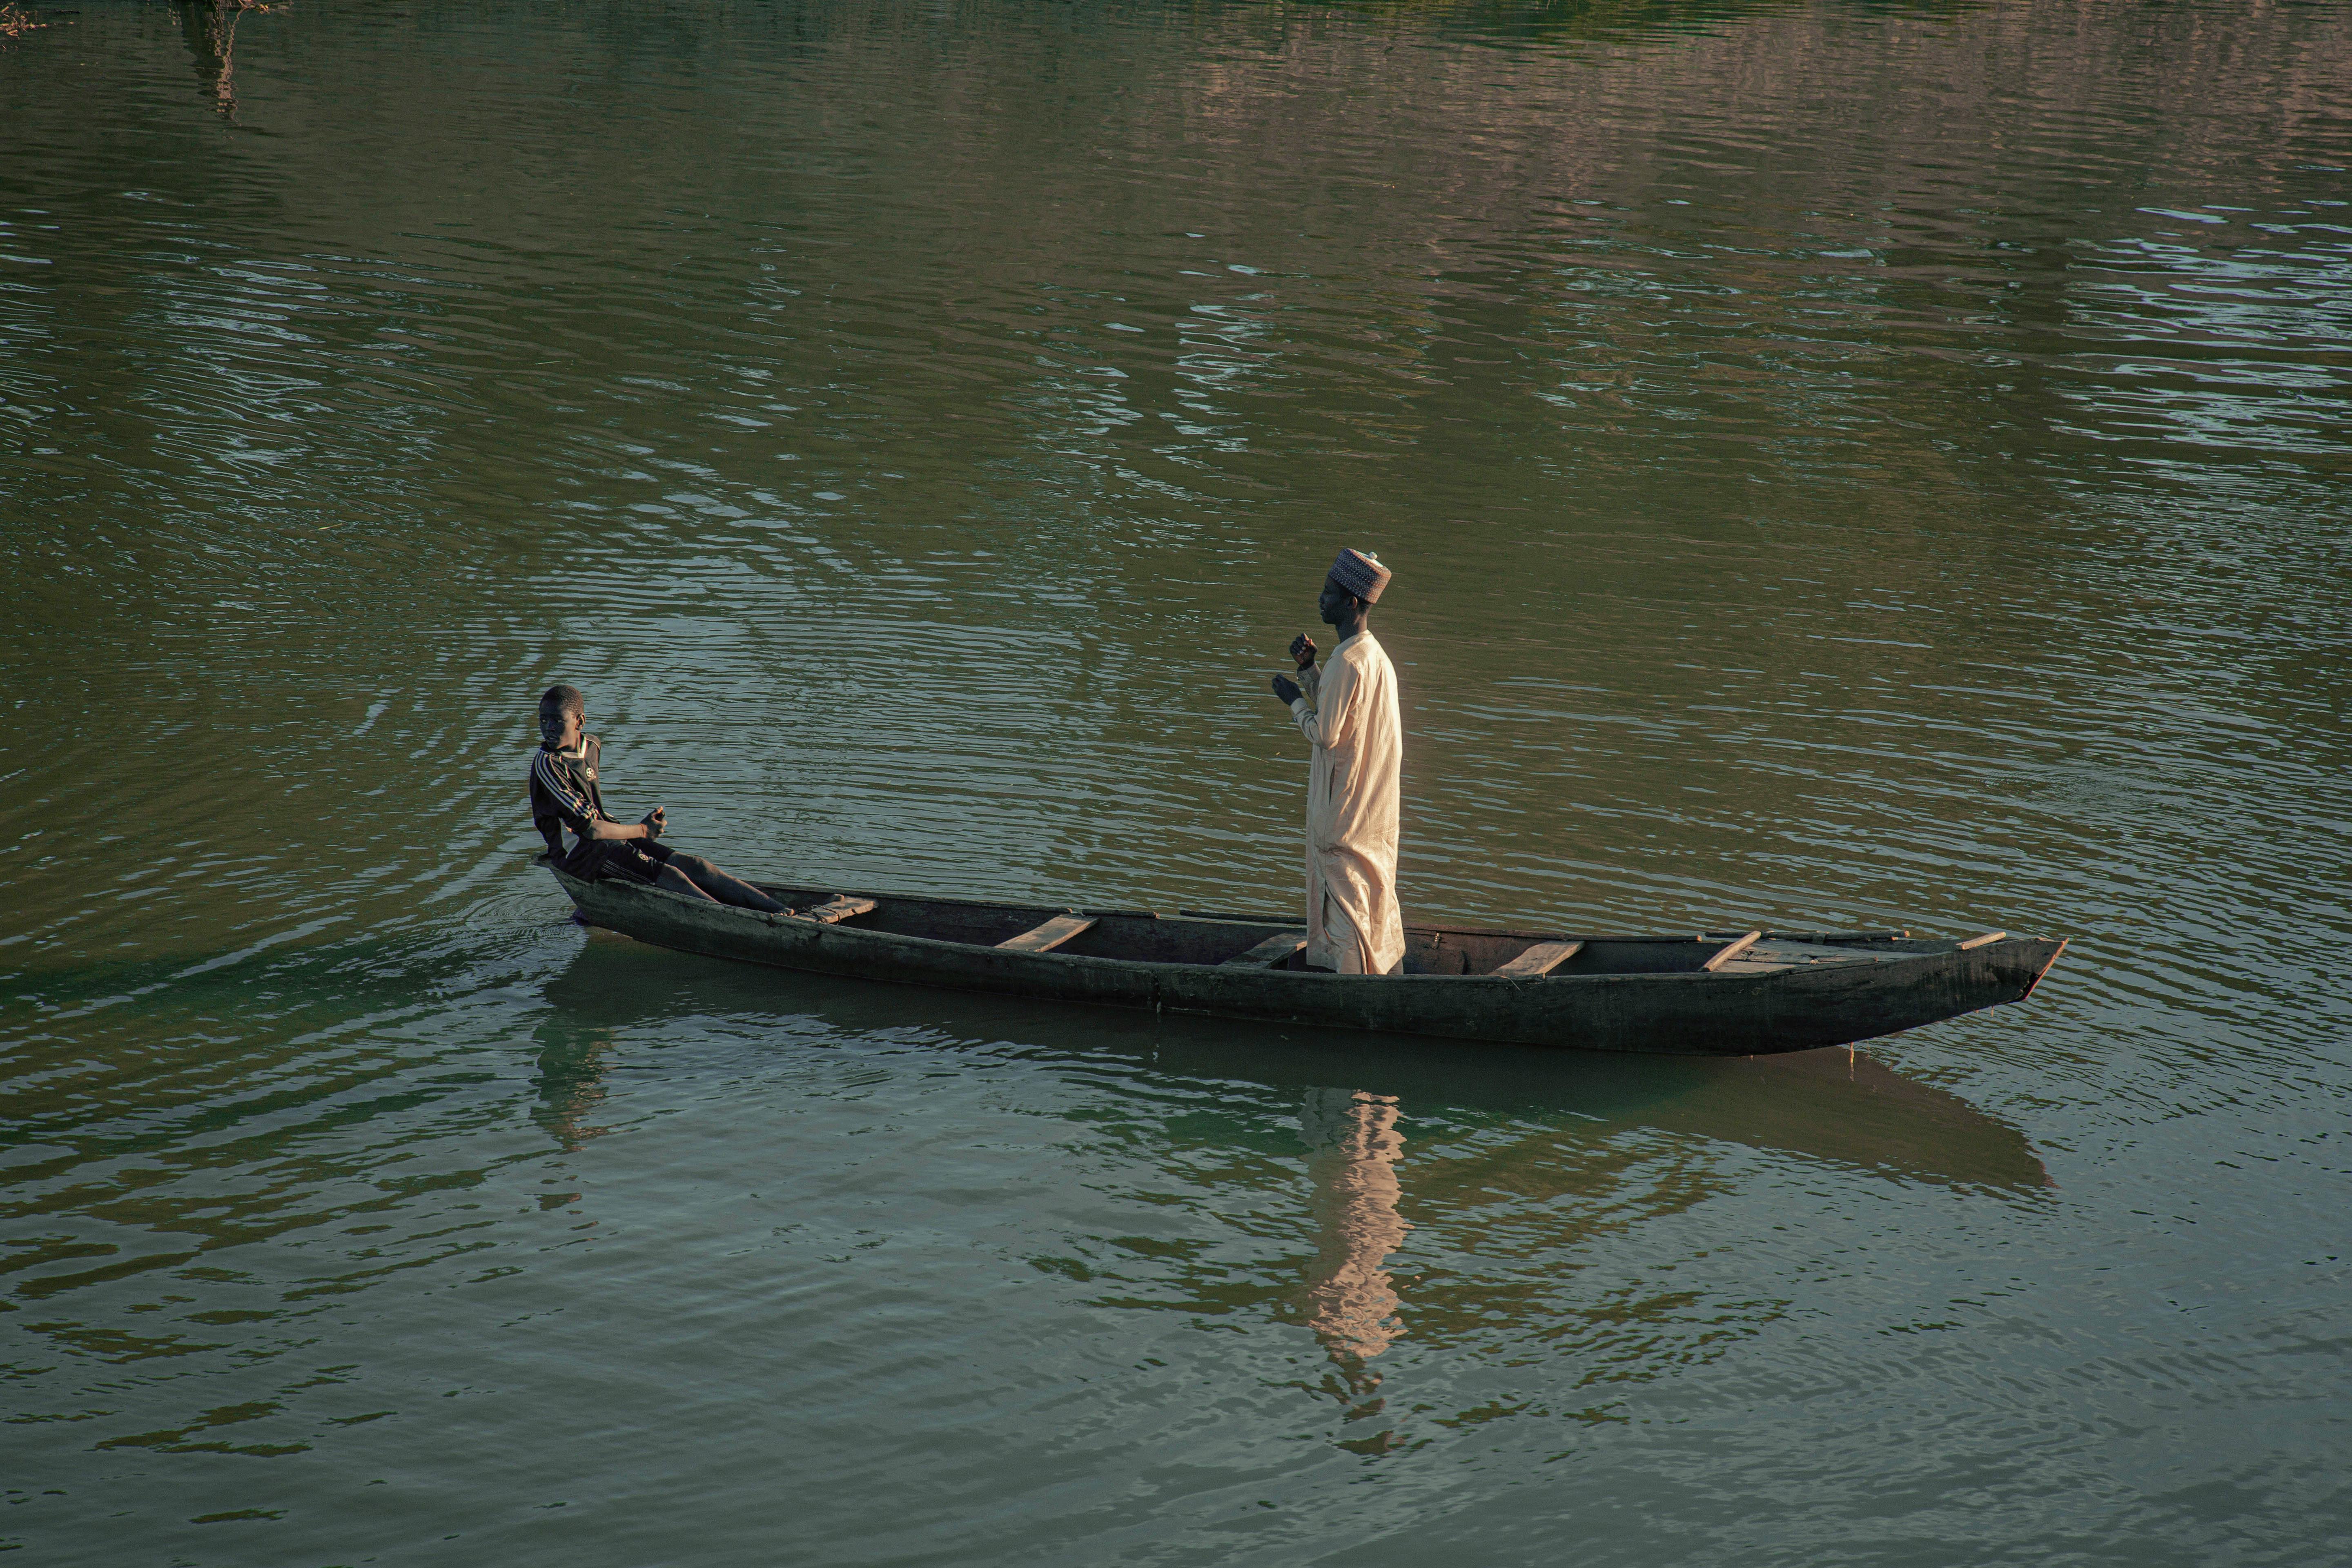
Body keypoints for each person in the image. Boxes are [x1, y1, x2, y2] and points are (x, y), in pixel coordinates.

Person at [528, 685, 786, 913]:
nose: (548, 728)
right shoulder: (548, 765)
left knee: (697, 866)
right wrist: (642, 831)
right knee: (672, 876)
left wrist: (637, 833)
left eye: (557, 721)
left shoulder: (592, 746)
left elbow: (596, 814)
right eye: (543, 721)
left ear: (579, 722)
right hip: (580, 853)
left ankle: (782, 910)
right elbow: (592, 830)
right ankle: (738, 921)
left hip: (607, 835)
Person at [1269, 549, 1404, 975]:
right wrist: (1309, 672)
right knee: (1372, 898)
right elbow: (1342, 715)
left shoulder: (1347, 662)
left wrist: (1293, 700)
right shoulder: (1374, 657)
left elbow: (1325, 734)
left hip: (1343, 811)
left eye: (1330, 594)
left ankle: (1352, 995)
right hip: (1373, 810)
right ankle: (1385, 974)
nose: (1321, 600)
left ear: (1352, 604)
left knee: (1344, 910)